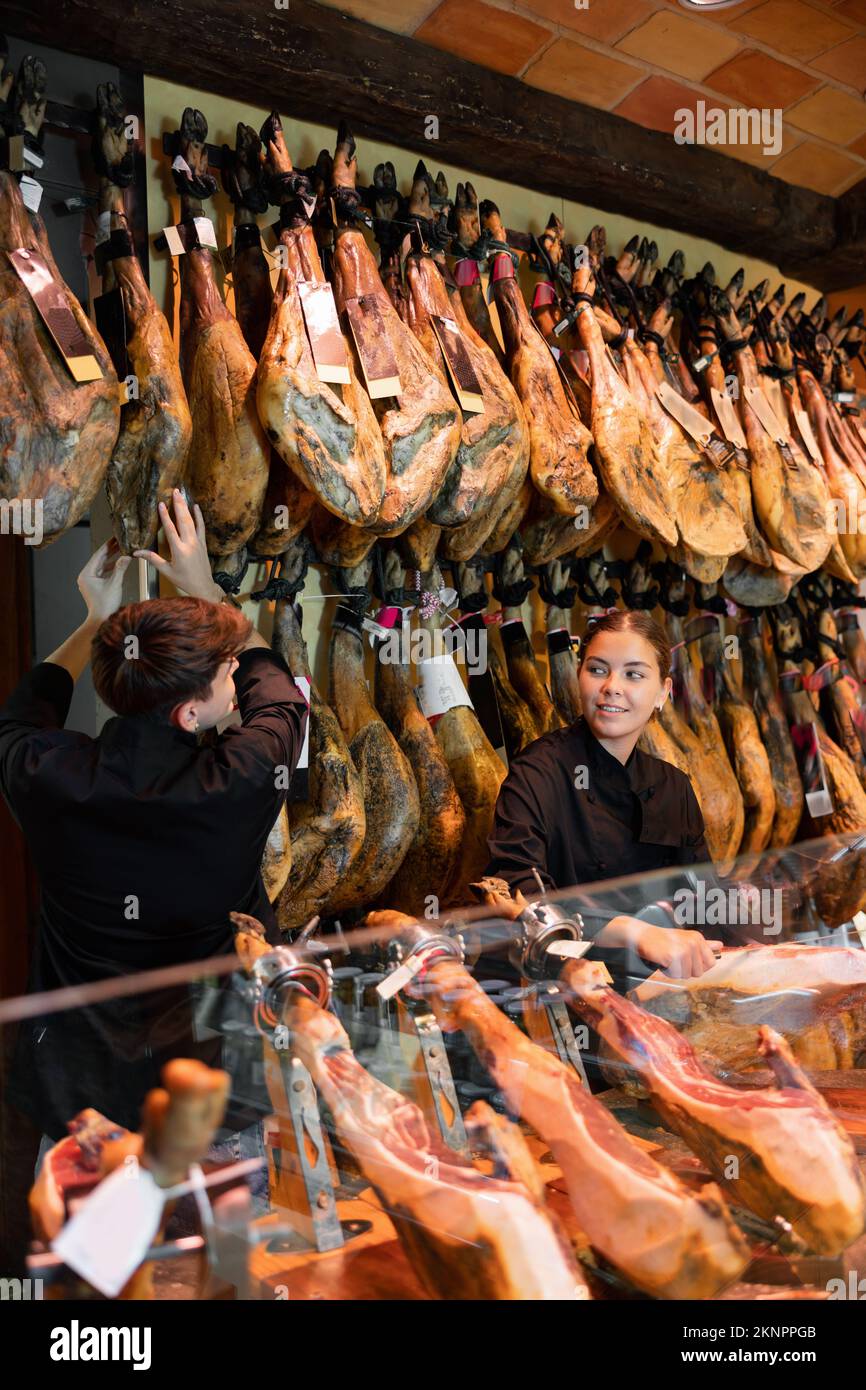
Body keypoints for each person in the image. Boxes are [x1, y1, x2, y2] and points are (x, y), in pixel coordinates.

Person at [0, 492, 308, 1195]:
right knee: (222, 1244)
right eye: (224, 673)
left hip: (80, 1090)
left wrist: (93, 624)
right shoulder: (238, 779)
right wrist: (205, 590)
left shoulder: (49, 776)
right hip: (208, 1087)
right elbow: (281, 699)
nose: (236, 681)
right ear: (190, 713)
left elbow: (19, 717)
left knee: (87, 1248)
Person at [485, 609, 724, 985]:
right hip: (560, 986)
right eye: (597, 669)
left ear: (663, 692)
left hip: (658, 988)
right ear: (578, 676)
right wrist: (635, 932)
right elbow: (519, 893)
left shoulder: (673, 786)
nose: (612, 686)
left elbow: (703, 896)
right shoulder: (538, 773)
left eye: (634, 674)